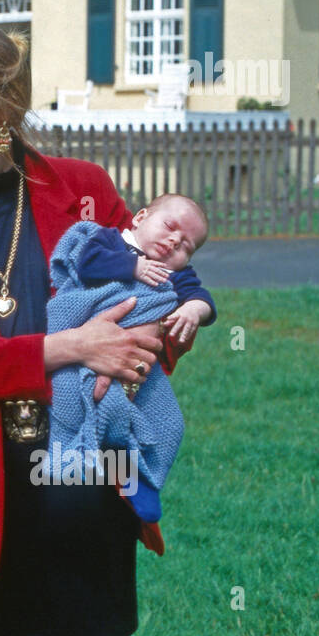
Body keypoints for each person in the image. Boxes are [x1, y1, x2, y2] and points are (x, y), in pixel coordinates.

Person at [0, 23, 186, 636]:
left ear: (5, 101)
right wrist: (74, 346)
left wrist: (170, 328)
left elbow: (148, 298)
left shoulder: (84, 191)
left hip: (89, 474)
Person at [45, 193, 216, 544]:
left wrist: (193, 310)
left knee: (169, 420)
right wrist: (132, 267)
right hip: (84, 339)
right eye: (170, 228)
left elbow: (202, 297)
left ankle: (143, 478)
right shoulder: (109, 241)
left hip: (139, 364)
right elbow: (87, 263)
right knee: (83, 399)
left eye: (186, 245)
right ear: (139, 218)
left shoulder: (175, 274)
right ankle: (70, 459)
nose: (174, 242)